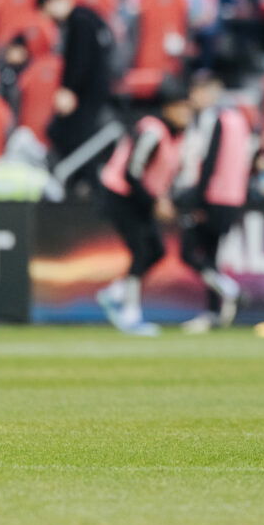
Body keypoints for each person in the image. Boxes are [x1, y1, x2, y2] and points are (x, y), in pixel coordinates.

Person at [96, 79, 191, 335]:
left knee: (156, 251)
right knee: (139, 250)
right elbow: (131, 172)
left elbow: (162, 173)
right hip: (121, 194)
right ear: (168, 108)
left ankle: (115, 293)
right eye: (181, 108)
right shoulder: (152, 131)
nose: (186, 114)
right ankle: (130, 314)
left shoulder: (176, 135)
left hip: (140, 197)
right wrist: (154, 202)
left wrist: (162, 198)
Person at [175, 72, 252, 333]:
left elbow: (209, 161)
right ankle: (215, 311)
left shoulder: (214, 119)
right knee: (210, 255)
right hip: (232, 197)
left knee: (190, 251)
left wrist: (197, 198)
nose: (194, 97)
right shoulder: (238, 118)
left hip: (212, 196)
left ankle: (227, 292)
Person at [39, 0, 115, 183]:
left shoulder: (78, 21)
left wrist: (69, 89)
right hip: (95, 90)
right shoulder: (88, 15)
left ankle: (81, 183)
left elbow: (80, 60)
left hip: (85, 94)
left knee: (69, 136)